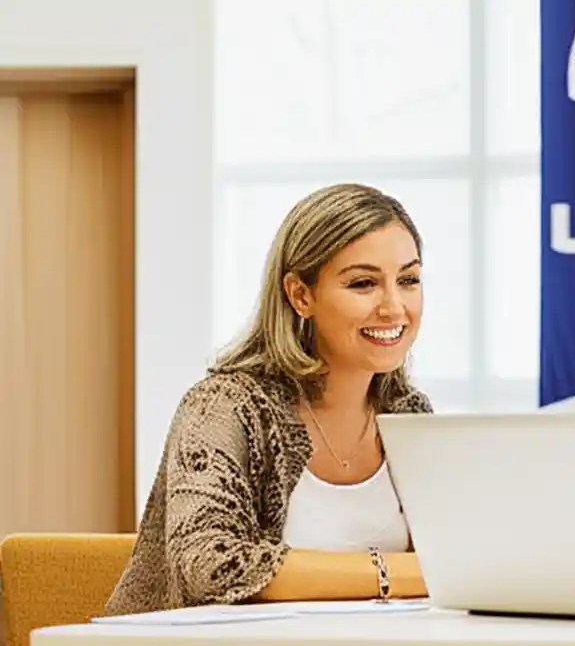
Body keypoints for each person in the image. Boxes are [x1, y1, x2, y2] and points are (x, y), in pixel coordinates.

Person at [107, 182, 432, 617]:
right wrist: (404, 573)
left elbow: (453, 558)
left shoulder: (409, 413)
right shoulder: (224, 406)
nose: (394, 307)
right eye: (363, 284)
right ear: (301, 295)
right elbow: (209, 565)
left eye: (408, 280)